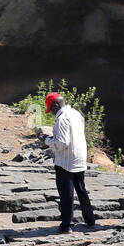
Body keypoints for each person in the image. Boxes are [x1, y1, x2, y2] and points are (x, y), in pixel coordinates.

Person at [43, 92, 96, 234]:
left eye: (51, 109)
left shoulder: (62, 119)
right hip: (79, 157)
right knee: (81, 189)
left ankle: (66, 224)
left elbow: (62, 143)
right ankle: (90, 219)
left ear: (56, 105)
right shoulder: (76, 114)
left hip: (65, 161)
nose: (51, 113)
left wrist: (47, 140)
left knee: (66, 194)